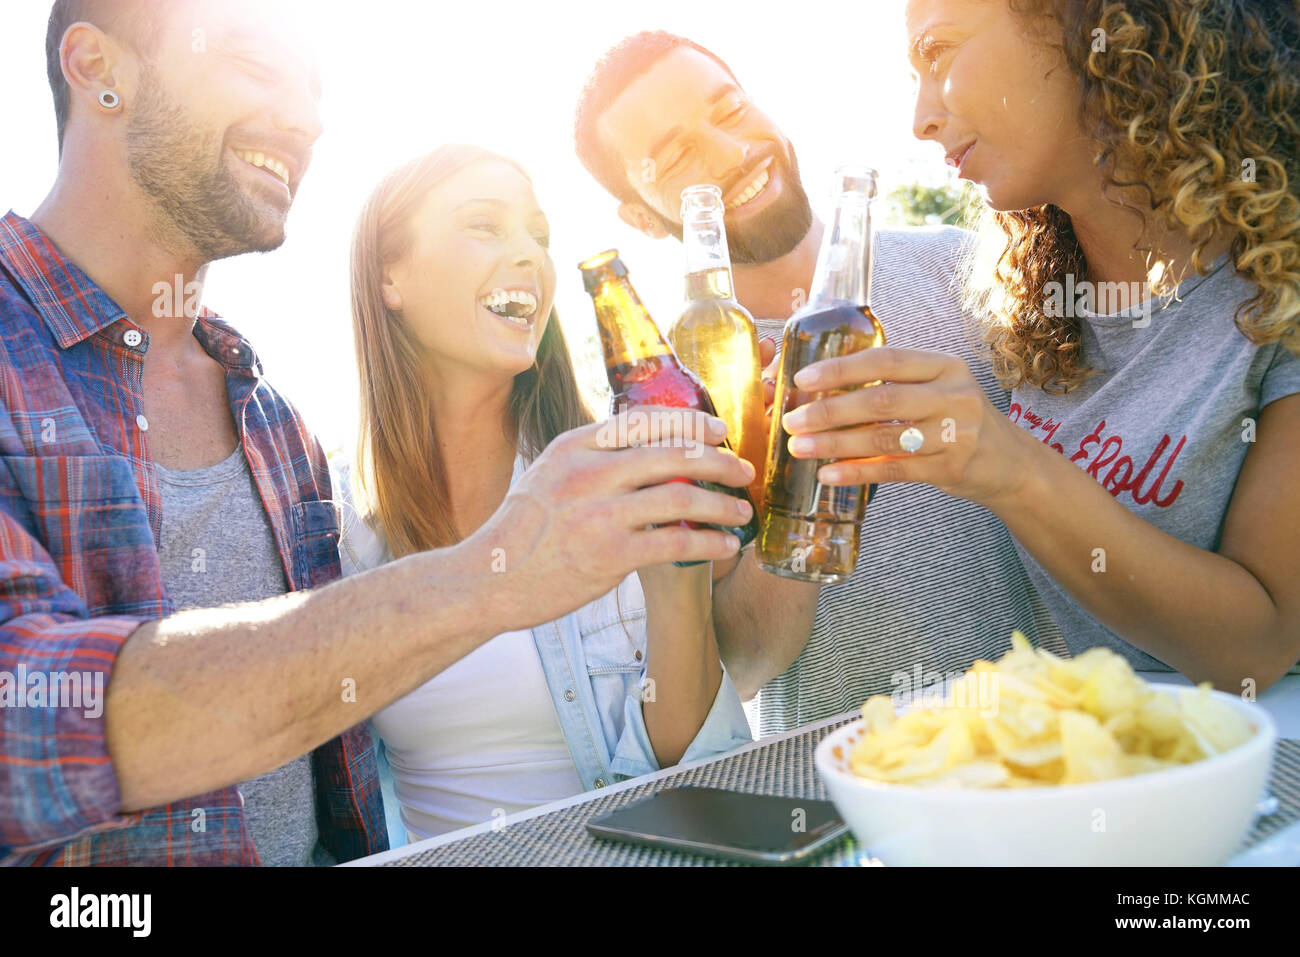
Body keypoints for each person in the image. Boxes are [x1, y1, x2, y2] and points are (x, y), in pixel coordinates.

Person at [0, 0, 752, 866]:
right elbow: (32, 719)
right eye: (255, 65)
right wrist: (495, 570)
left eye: (316, 90)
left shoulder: (273, 429)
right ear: (98, 70)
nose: (309, 119)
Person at [778, 0, 1300, 689]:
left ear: (1080, 24)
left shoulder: (1279, 287)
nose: (920, 119)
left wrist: (1012, 468)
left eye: (939, 52)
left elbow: (1258, 648)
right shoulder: (1028, 315)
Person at [573, 31, 1066, 733]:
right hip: (836, 803)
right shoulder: (675, 403)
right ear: (639, 216)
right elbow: (742, 661)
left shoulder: (976, 274)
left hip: (1044, 753)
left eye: (731, 109)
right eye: (677, 153)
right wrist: (799, 464)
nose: (732, 151)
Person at [333, 145, 754, 844]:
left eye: (540, 235)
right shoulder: (337, 529)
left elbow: (691, 778)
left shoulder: (615, 474)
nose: (530, 255)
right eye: (484, 226)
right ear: (389, 277)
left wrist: (677, 583)